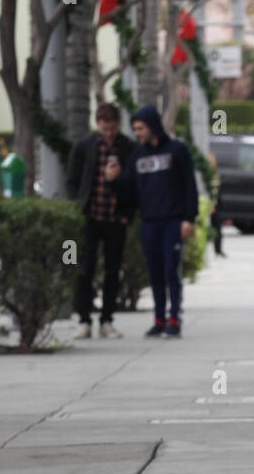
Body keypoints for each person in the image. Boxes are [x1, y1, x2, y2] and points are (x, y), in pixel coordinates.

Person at [104, 104, 198, 338]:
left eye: (141, 128)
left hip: (173, 222)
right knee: (155, 273)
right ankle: (159, 319)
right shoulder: (137, 155)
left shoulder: (177, 150)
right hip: (149, 223)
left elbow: (189, 186)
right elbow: (129, 191)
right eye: (135, 129)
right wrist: (112, 181)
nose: (138, 133)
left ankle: (174, 318)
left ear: (153, 126)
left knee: (170, 270)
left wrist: (189, 218)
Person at [66, 102, 134, 339]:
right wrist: (76, 206)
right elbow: (72, 179)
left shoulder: (127, 147)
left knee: (113, 271)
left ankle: (107, 320)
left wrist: (126, 209)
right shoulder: (85, 146)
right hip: (90, 217)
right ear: (97, 124)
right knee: (84, 269)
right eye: (104, 128)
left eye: (112, 128)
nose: (108, 133)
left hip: (116, 218)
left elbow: (133, 185)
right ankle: (84, 320)